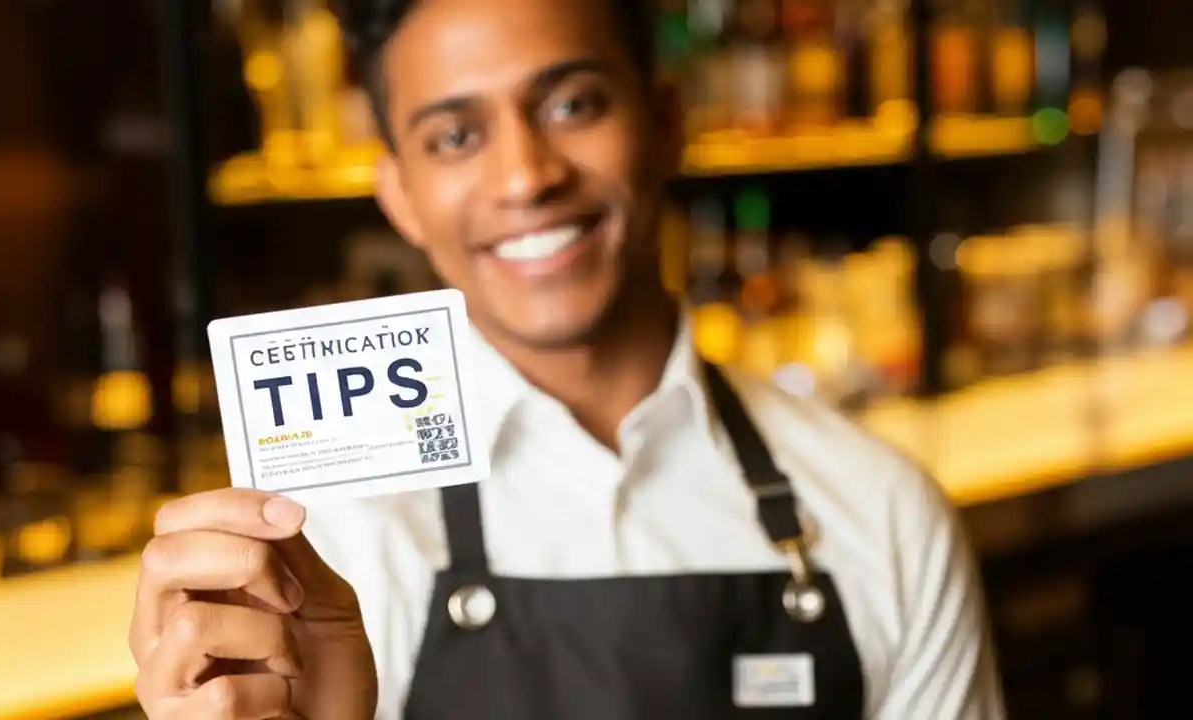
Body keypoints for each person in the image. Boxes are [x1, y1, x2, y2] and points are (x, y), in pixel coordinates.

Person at [129, 0, 1005, 717]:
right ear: (399, 196)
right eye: (455, 137)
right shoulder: (316, 547)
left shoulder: (883, 512)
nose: (526, 177)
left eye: (573, 105)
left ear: (666, 122)